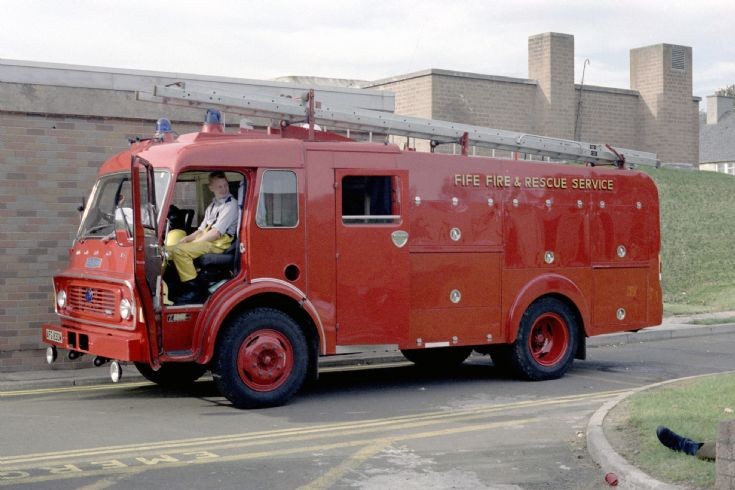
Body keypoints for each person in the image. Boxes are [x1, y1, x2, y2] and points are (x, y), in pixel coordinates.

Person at [168, 172, 238, 304]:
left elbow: (216, 233)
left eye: (225, 185)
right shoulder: (212, 206)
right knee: (166, 250)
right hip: (207, 239)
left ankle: (194, 291)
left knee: (180, 251)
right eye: (219, 187)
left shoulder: (231, 205)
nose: (224, 189)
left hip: (218, 243)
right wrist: (187, 239)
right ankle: (172, 286)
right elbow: (201, 229)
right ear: (211, 188)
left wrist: (193, 244)